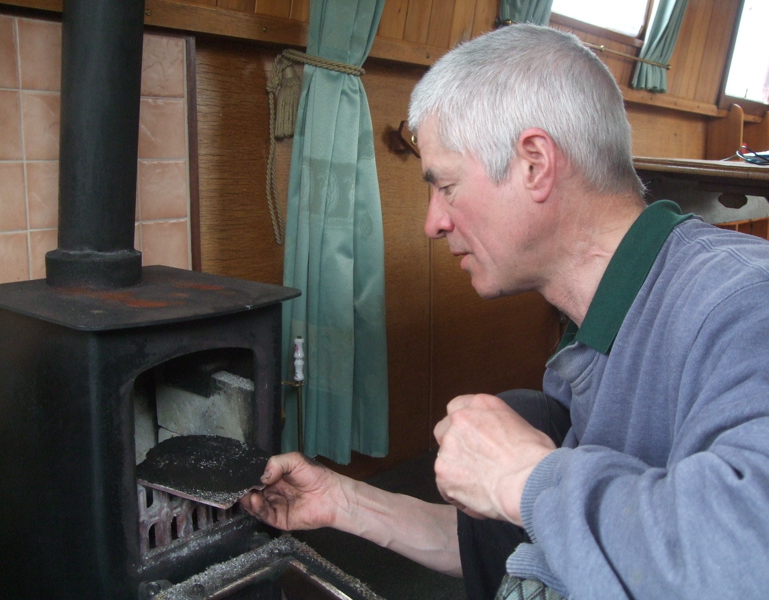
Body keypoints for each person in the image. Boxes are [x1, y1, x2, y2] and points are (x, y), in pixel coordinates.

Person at [242, 23, 769, 599]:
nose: (433, 223)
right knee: (529, 414)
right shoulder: (590, 339)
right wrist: (346, 502)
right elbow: (549, 542)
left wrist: (524, 474)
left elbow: (747, 556)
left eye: (445, 185)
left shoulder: (742, 301)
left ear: (535, 164)